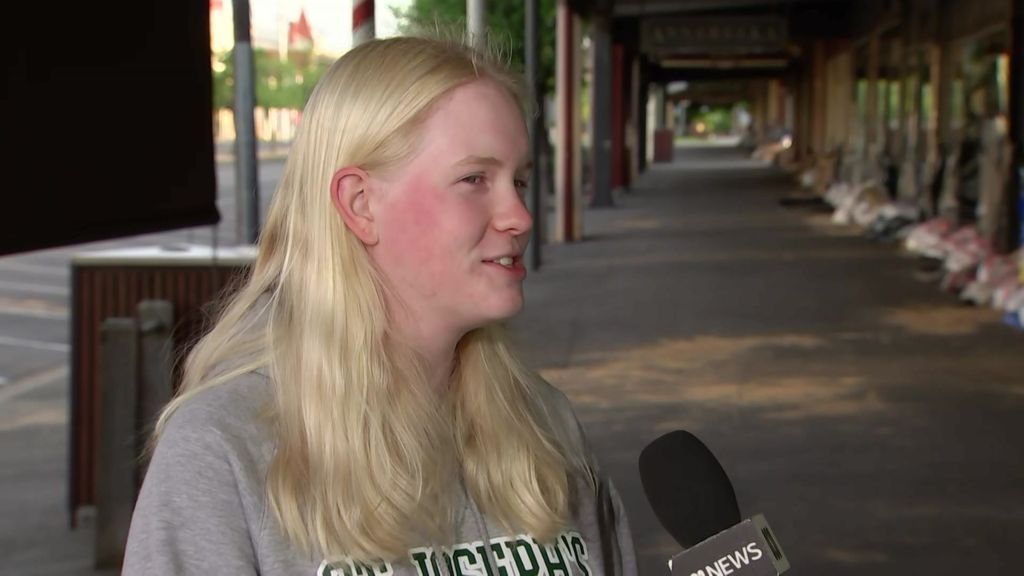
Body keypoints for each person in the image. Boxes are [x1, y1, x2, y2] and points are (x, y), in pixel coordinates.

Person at [122, 35, 637, 576]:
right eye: (474, 180)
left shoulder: (545, 422)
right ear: (361, 204)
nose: (520, 216)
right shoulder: (223, 450)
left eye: (521, 181)